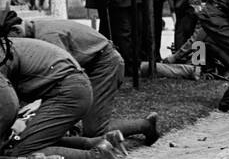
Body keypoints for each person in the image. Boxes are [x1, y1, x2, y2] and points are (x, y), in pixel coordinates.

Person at [2, 11, 158, 144]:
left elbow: (62, 75)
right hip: (88, 66)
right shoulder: (35, 29)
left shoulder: (47, 36)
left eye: (10, 39)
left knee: (94, 131)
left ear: (16, 30)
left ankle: (145, 125)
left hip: (104, 64)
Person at [0, 32, 130, 159]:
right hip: (73, 88)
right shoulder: (9, 45)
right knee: (34, 139)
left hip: (67, 92)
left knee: (21, 151)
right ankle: (98, 143)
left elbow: (9, 103)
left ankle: (98, 157)